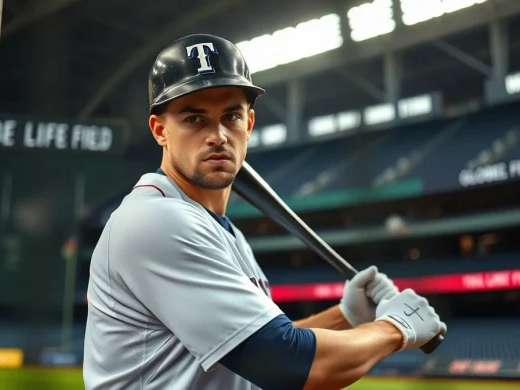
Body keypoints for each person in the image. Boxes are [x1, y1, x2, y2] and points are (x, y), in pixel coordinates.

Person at [83, 33, 447, 390]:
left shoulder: (228, 234)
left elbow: (254, 347)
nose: (218, 136)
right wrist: (397, 328)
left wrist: (347, 317)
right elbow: (286, 364)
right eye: (195, 119)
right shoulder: (155, 220)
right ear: (160, 130)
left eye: (230, 117)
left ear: (249, 124)